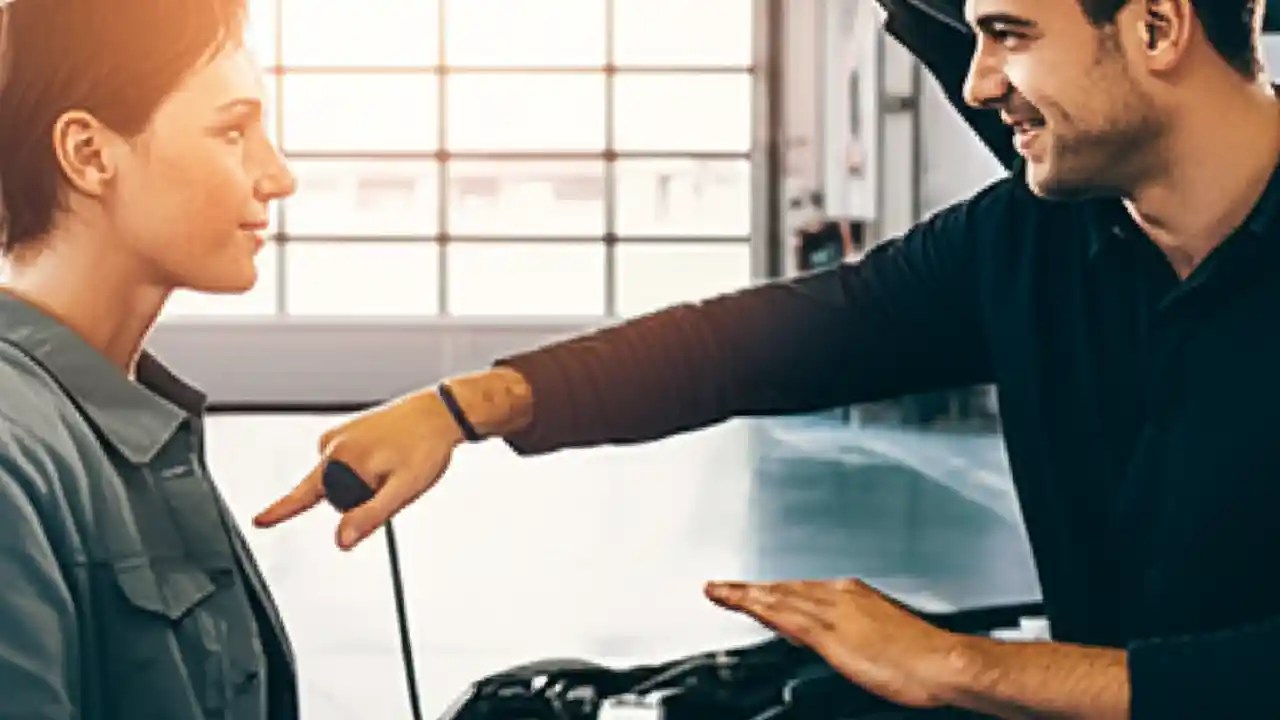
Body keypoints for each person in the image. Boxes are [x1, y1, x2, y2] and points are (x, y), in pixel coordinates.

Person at [256, 0, 1280, 716]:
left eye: (1007, 34)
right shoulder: (1028, 242)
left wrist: (960, 667)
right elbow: (751, 342)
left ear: (1154, 25)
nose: (975, 83)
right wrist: (468, 405)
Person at [0, 0, 298, 717]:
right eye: (233, 131)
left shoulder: (137, 424)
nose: (278, 175)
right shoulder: (15, 452)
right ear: (89, 155)